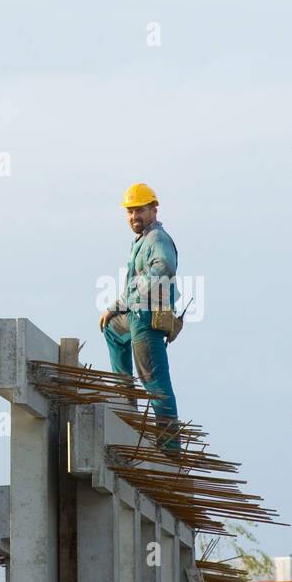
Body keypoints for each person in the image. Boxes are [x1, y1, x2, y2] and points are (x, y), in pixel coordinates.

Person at [100, 183, 182, 454]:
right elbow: (133, 286)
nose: (135, 216)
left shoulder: (157, 239)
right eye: (131, 212)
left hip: (146, 319)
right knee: (112, 328)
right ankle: (126, 398)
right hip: (135, 315)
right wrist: (117, 306)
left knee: (155, 382)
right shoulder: (141, 240)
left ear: (154, 209)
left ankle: (169, 447)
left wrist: (135, 295)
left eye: (140, 211)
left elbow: (164, 269)